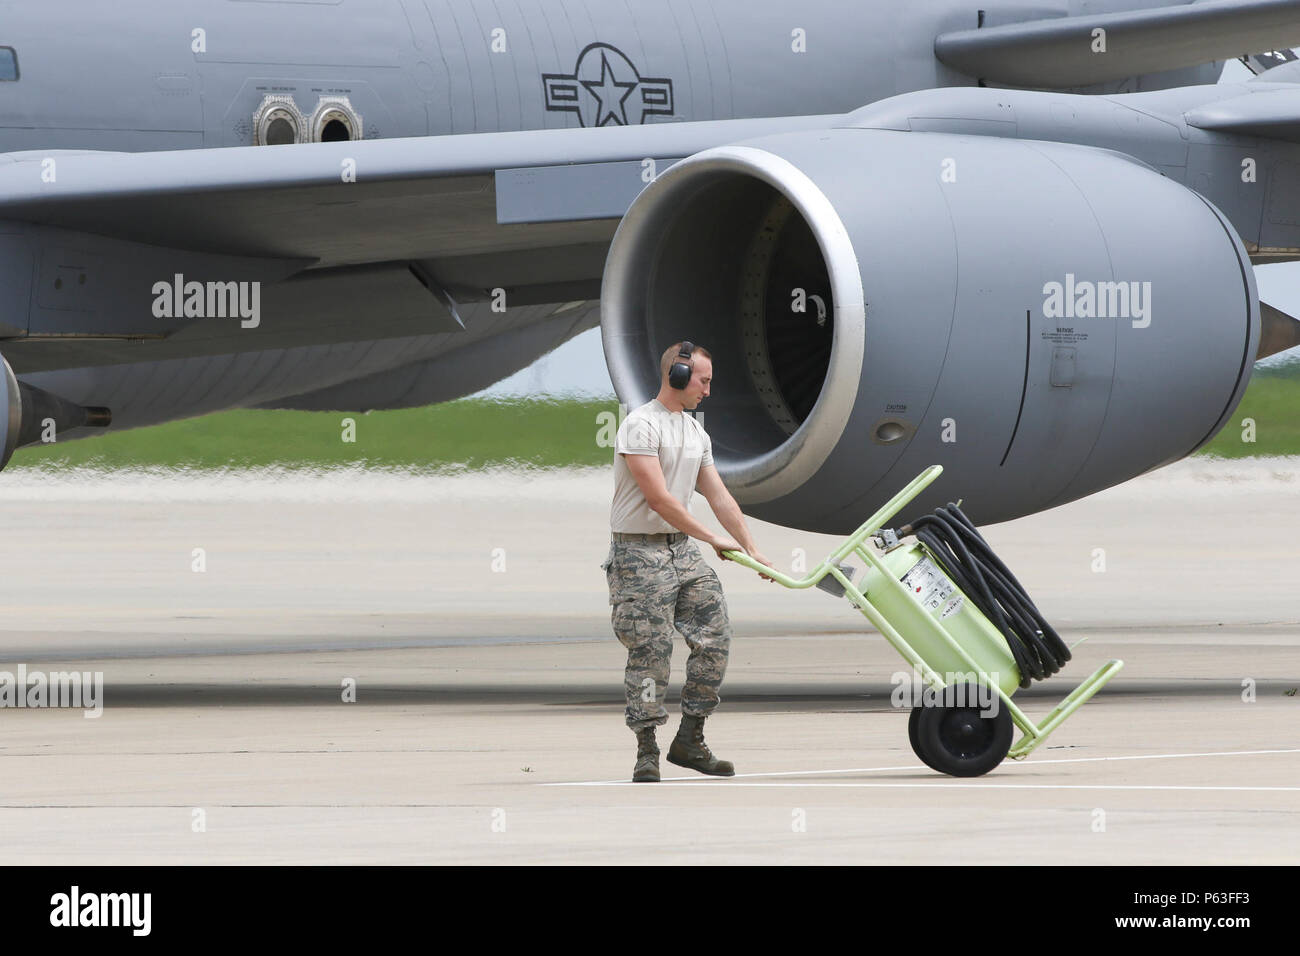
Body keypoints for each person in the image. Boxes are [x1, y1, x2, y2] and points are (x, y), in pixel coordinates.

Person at [602, 341, 777, 783]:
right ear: (677, 376)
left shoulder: (696, 433)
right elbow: (658, 498)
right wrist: (713, 539)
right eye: (703, 381)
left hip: (681, 550)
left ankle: (690, 740)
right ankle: (646, 749)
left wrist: (751, 549)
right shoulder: (640, 427)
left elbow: (719, 496)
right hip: (638, 553)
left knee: (714, 637)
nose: (708, 390)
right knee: (651, 650)